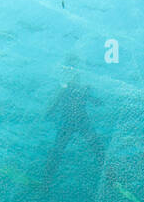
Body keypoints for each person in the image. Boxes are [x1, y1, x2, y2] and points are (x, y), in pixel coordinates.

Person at [41, 57, 110, 191]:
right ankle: (46, 181)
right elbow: (54, 104)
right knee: (58, 150)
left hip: (77, 122)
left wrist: (48, 113)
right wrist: (48, 112)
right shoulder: (71, 88)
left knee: (96, 147)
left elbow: (94, 101)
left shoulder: (78, 88)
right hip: (73, 122)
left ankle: (111, 175)